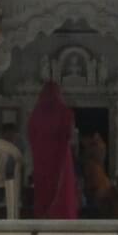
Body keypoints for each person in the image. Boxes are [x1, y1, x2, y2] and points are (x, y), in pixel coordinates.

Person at [27, 83, 79, 219]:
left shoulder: (36, 113)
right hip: (61, 158)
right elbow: (70, 135)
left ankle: (44, 217)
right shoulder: (65, 112)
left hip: (41, 159)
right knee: (63, 188)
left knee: (43, 187)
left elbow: (31, 134)